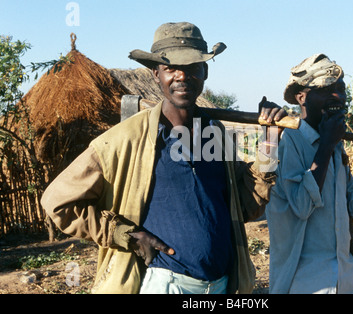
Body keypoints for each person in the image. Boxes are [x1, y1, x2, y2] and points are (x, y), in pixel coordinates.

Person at [41, 22, 286, 294]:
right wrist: (127, 236)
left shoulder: (214, 134)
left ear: (205, 72)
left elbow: (245, 205)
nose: (182, 76)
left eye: (193, 67)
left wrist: (269, 142)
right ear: (156, 75)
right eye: (171, 68)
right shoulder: (124, 140)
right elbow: (57, 201)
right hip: (165, 285)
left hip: (221, 285)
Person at [266, 54, 353, 294]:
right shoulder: (290, 142)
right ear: (302, 97)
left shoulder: (337, 147)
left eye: (341, 89)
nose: (338, 96)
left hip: (345, 278)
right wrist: (326, 144)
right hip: (306, 282)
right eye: (327, 89)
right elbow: (302, 206)